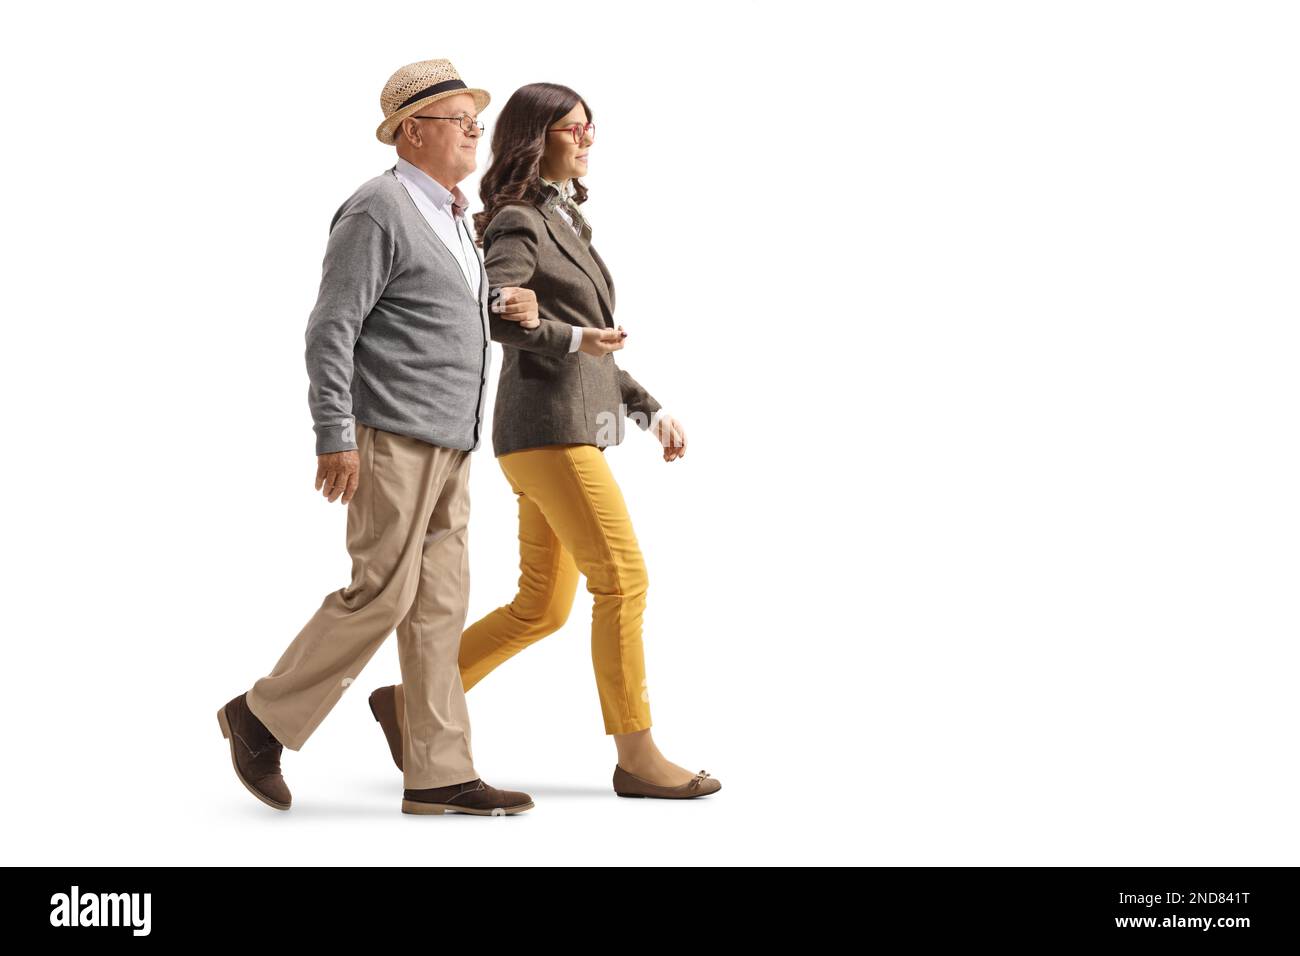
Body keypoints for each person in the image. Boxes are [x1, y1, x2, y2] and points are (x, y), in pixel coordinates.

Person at [367, 82, 720, 799]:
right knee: (623, 581)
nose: (587, 139)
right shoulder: (520, 221)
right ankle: (637, 755)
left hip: (553, 432)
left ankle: (408, 701)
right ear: (536, 136)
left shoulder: (565, 223)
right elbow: (493, 314)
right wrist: (555, 329)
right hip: (549, 432)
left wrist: (650, 413)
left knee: (541, 608)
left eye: (591, 128)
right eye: (572, 128)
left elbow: (597, 346)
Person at [216, 59, 539, 816]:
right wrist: (335, 432)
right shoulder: (378, 209)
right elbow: (333, 327)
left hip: (453, 440)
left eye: (475, 118)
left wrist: (503, 305)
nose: (474, 129)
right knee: (381, 595)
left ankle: (438, 772)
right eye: (459, 118)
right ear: (412, 130)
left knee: (438, 607)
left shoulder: (458, 216)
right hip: (390, 434)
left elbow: (440, 314)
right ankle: (260, 717)